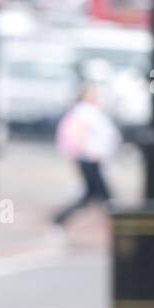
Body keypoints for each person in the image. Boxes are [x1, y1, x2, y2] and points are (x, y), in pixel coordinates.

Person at [52, 84, 121, 226]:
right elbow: (79, 134)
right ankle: (119, 223)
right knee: (104, 194)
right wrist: (89, 152)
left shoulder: (91, 111)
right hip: (89, 159)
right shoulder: (85, 111)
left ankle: (59, 220)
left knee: (91, 195)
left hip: (93, 158)